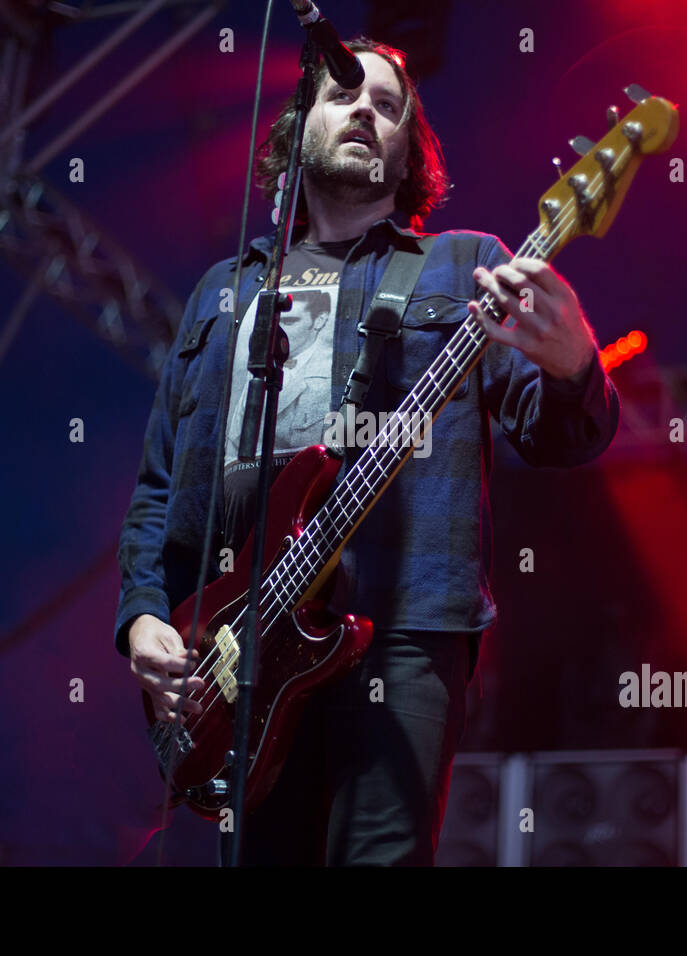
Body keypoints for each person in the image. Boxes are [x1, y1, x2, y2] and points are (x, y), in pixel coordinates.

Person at [114, 36, 620, 865]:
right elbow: (160, 484)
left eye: (388, 106)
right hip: (236, 650)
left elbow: (562, 435)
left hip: (403, 629)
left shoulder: (462, 267)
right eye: (343, 96)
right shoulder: (223, 291)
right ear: (297, 127)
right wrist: (141, 615)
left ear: (408, 150)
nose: (365, 112)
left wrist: (570, 365)